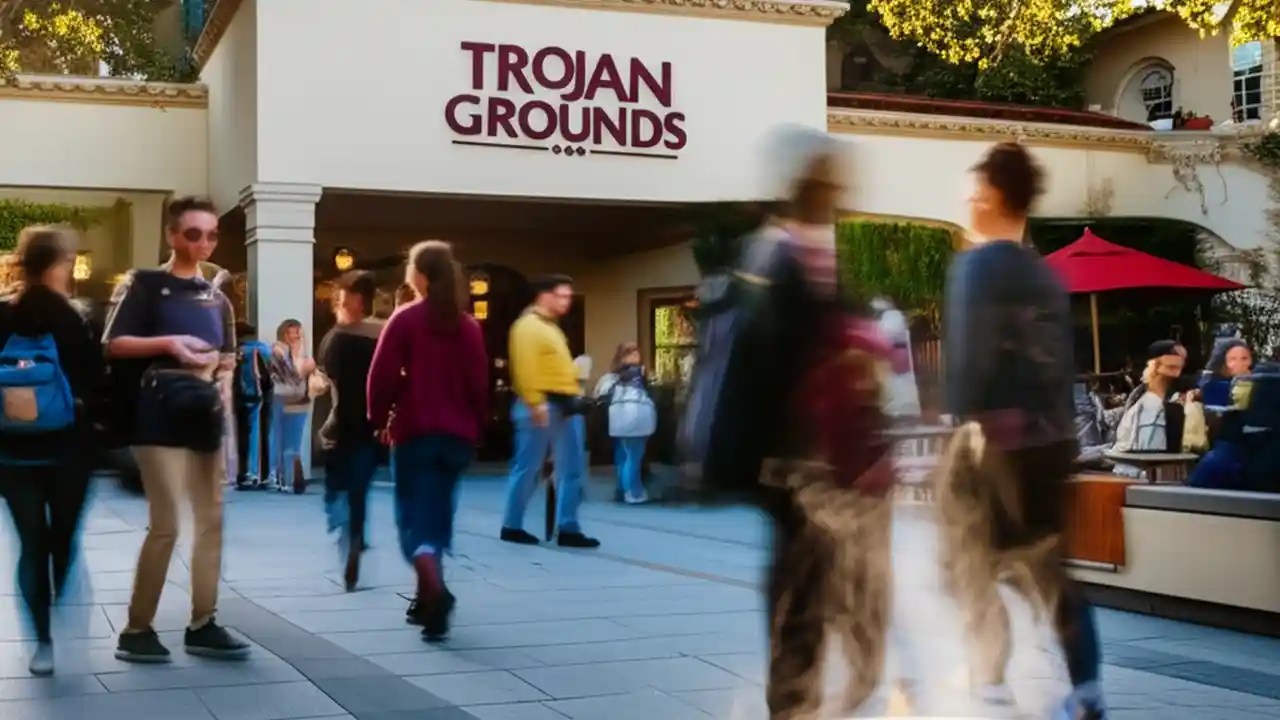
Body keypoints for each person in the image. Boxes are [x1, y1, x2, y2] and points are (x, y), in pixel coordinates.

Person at [943, 142, 1105, 720]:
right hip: (1052, 440)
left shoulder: (975, 268)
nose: (965, 197)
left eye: (971, 188)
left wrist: (959, 436)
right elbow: (1061, 367)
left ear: (988, 195)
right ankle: (1085, 691)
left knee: (971, 564)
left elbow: (968, 365)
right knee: (1052, 569)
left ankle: (988, 683)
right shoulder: (1045, 276)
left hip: (994, 444)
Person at [105, 196, 249, 662]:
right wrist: (172, 344)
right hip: (158, 413)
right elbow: (113, 343)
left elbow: (229, 356)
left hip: (203, 413)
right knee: (166, 524)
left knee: (212, 523)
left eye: (211, 234)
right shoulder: (145, 284)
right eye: (193, 233)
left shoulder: (219, 297)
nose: (204, 242)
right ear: (172, 235)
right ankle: (137, 628)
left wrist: (221, 376)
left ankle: (203, 622)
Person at [367, 241, 487, 640]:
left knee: (412, 525)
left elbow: (380, 377)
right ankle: (427, 606)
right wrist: (476, 429)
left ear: (419, 275)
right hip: (456, 436)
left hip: (415, 431)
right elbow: (479, 386)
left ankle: (436, 592)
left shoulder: (405, 320)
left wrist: (377, 417)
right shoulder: (468, 326)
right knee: (437, 515)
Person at [0, 227, 102, 675]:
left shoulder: (2, 314)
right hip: (69, 450)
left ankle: (41, 640)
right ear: (59, 265)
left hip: (11, 454)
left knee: (29, 544)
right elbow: (98, 385)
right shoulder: (76, 318)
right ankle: (63, 601)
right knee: (62, 540)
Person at [499, 274, 600, 549]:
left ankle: (568, 526)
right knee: (529, 467)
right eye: (562, 295)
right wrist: (535, 401)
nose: (567, 301)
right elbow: (525, 367)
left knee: (572, 468)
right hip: (543, 404)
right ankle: (512, 524)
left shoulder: (551, 328)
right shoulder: (528, 327)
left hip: (564, 404)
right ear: (545, 295)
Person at [317, 270, 383, 591]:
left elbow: (324, 380)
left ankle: (345, 531)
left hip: (340, 423)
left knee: (335, 488)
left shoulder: (335, 338)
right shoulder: (382, 334)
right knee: (359, 489)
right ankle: (355, 535)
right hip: (371, 423)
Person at [593, 342, 657, 504]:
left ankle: (621, 490)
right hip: (636, 417)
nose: (636, 356)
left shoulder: (610, 377)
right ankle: (634, 493)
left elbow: (598, 395)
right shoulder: (640, 373)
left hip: (617, 418)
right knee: (634, 456)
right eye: (632, 353)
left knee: (622, 456)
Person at [268, 319, 315, 493]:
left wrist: (299, 359)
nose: (294, 337)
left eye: (297, 333)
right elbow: (292, 376)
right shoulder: (277, 351)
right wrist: (297, 359)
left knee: (293, 442)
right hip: (280, 399)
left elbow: (301, 374)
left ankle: (289, 479)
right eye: (290, 333)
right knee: (279, 439)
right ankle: (281, 478)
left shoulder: (304, 356)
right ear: (283, 334)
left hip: (299, 402)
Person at [233, 323, 274, 490]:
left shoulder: (240, 351)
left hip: (245, 397)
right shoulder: (265, 349)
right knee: (264, 434)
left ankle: (248, 473)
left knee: (245, 436)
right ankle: (264, 474)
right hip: (265, 396)